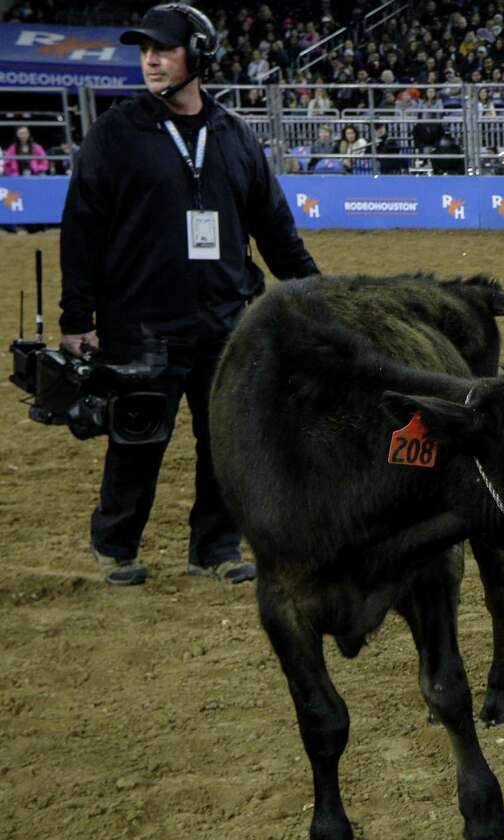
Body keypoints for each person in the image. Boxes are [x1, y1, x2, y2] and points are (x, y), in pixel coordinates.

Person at [57, 4, 319, 587]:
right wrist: (76, 318)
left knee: (225, 443)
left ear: (197, 55)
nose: (150, 59)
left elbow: (274, 229)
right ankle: (116, 546)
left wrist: (315, 295)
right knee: (137, 439)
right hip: (141, 324)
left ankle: (216, 547)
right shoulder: (116, 133)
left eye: (164, 48)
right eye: (144, 49)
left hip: (227, 322)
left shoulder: (234, 136)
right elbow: (81, 230)